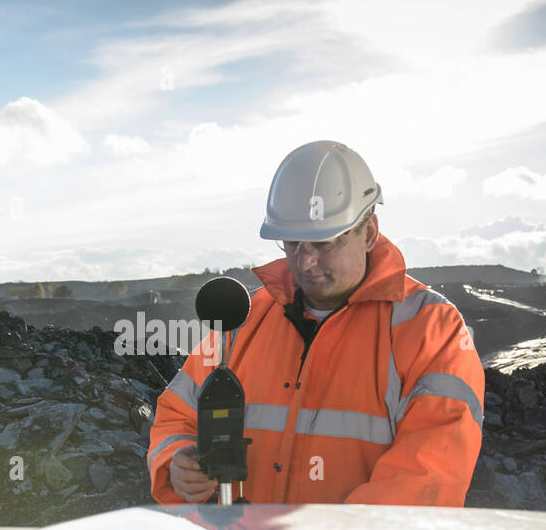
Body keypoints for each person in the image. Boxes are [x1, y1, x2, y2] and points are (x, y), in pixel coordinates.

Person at [147, 140, 485, 506]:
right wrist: (176, 462)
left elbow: (430, 470)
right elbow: (176, 415)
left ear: (368, 232)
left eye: (323, 244)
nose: (305, 263)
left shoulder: (429, 328)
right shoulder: (245, 321)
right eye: (292, 244)